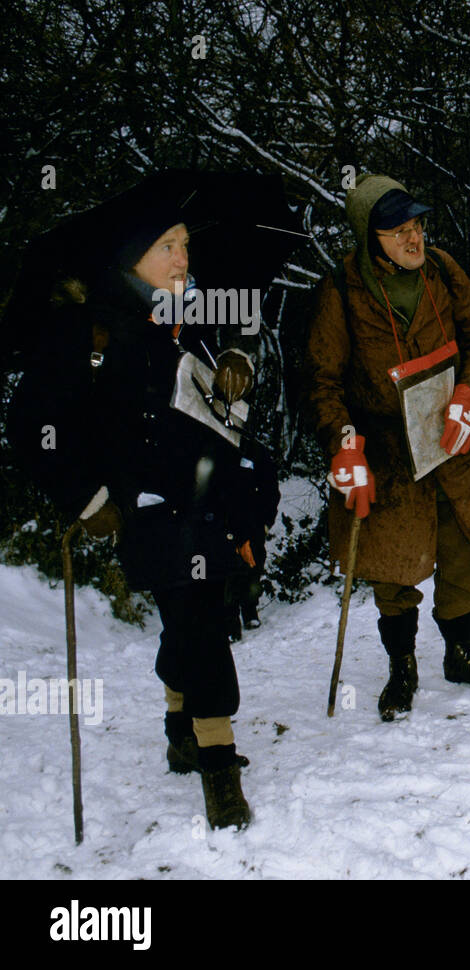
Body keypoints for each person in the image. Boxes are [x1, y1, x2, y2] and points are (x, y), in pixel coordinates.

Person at [9, 202, 274, 831]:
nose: (184, 258)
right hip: (152, 509)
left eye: (185, 243)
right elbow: (32, 425)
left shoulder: (193, 309)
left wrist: (240, 353)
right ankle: (219, 768)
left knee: (194, 617)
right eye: (168, 247)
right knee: (202, 623)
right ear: (132, 261)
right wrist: (86, 498)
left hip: (215, 492)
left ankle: (180, 727)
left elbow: (245, 317)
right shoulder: (89, 331)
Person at [305, 175, 470, 721]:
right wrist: (343, 446)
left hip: (453, 436)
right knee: (393, 568)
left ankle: (460, 651)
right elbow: (323, 381)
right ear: (369, 238)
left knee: (464, 551)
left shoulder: (444, 270)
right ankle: (401, 665)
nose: (414, 239)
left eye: (417, 226)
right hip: (386, 449)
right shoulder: (341, 291)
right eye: (398, 231)